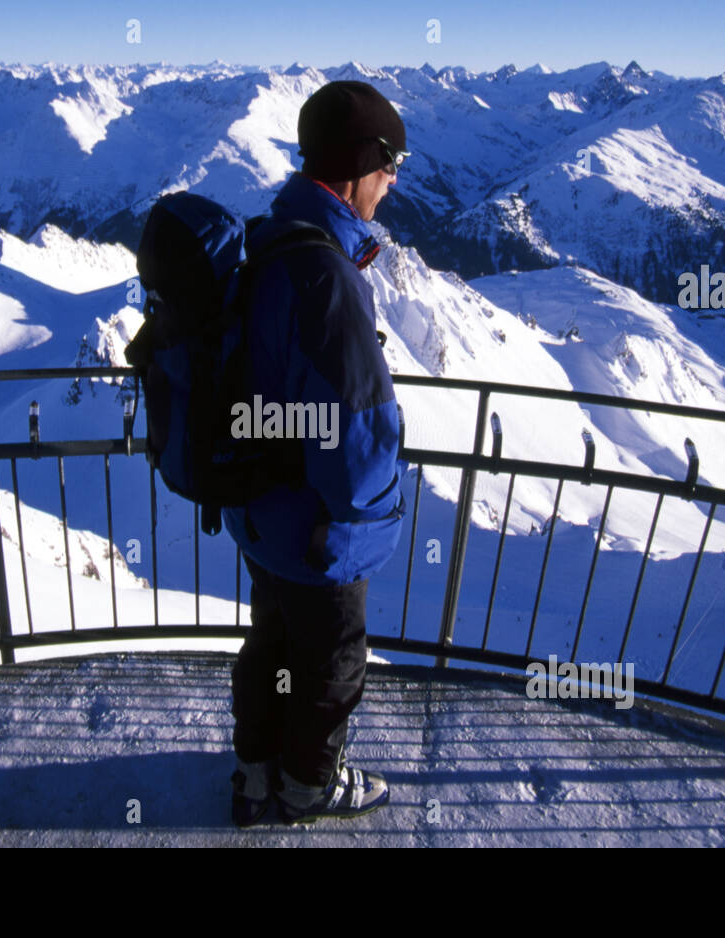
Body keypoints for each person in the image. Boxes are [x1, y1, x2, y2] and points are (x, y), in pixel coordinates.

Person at [222, 80, 410, 826]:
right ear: (360, 162)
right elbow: (358, 440)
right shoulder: (327, 274)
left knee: (269, 644)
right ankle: (307, 786)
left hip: (262, 512)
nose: (394, 181)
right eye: (390, 162)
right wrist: (366, 526)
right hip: (315, 527)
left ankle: (255, 771)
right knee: (333, 661)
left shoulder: (274, 237)